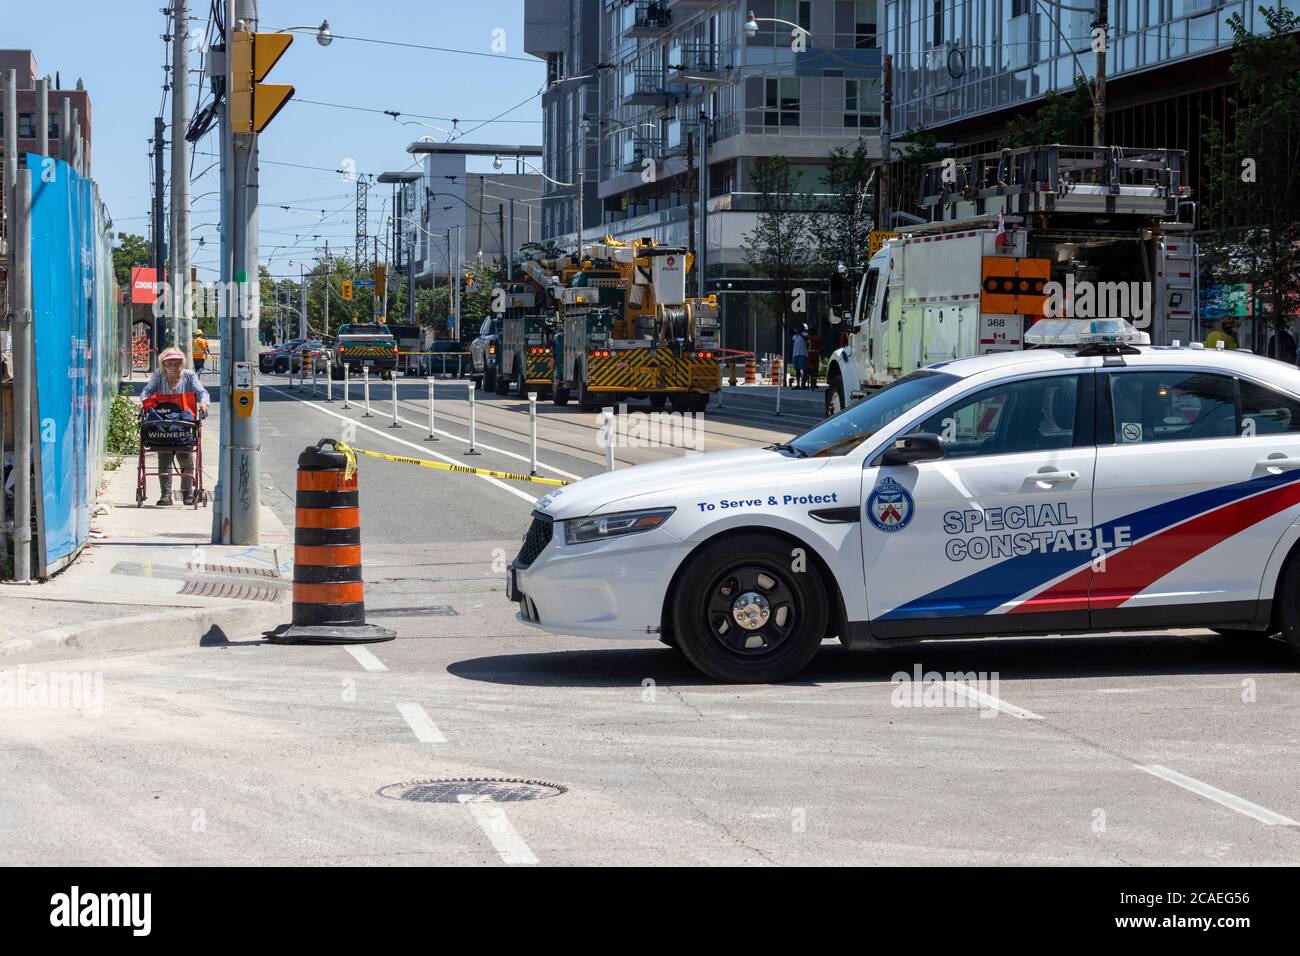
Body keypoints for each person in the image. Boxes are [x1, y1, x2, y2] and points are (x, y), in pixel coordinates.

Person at [140, 347, 210, 506]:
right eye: (169, 363)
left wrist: (203, 404)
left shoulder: (189, 376)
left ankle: (187, 493)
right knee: (164, 456)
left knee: (184, 455)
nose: (173, 367)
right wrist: (144, 403)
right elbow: (146, 391)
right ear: (163, 365)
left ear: (182, 363)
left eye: (177, 363)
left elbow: (202, 392)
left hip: (183, 423)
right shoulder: (159, 375)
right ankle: (166, 494)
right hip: (163, 423)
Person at [791, 324, 809, 389]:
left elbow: (806, 339)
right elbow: (793, 341)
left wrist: (800, 333)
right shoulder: (794, 336)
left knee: (804, 370)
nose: (798, 328)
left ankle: (803, 384)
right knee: (797, 370)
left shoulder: (805, 334)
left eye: (799, 327)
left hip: (803, 354)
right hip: (795, 354)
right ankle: (798, 384)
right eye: (797, 327)